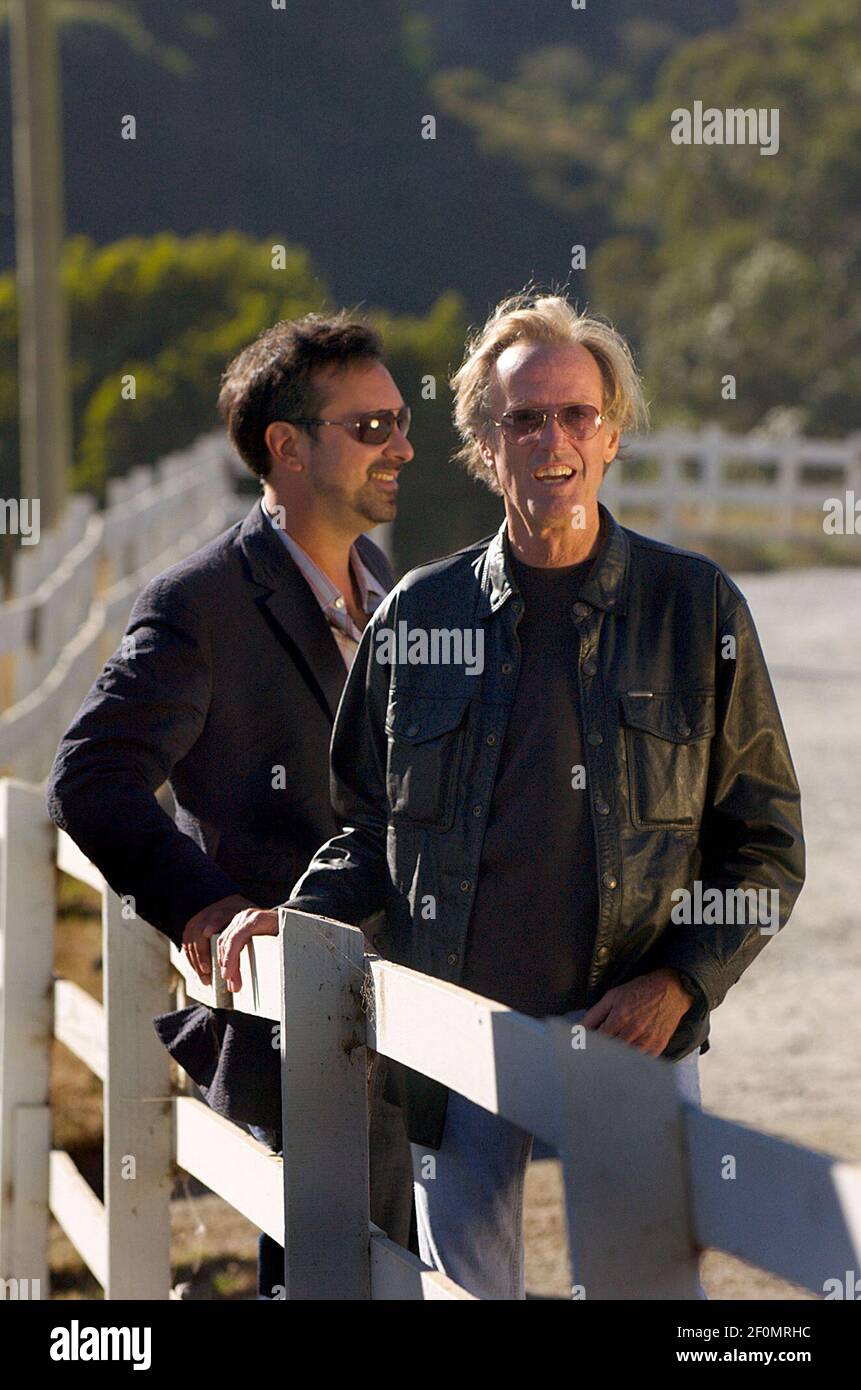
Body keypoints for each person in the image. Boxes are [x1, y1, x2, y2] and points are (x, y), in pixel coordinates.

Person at [216, 291, 805, 1300]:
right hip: (454, 1040)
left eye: (576, 413)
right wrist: (297, 916)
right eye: (522, 418)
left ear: (611, 435)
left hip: (633, 1042)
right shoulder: (417, 614)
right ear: (485, 445)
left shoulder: (694, 607)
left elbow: (764, 848)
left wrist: (679, 984)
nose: (552, 439)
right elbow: (370, 829)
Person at [47, 311, 416, 1298]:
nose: (402, 446)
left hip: (405, 1011)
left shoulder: (375, 581)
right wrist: (203, 903)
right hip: (297, 1024)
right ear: (285, 447)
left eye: (400, 420)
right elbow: (90, 775)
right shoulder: (200, 602)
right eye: (369, 426)